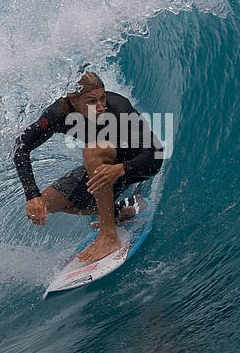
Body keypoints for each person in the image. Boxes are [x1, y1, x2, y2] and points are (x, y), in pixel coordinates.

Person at [14, 71, 162, 263]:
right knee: (46, 204)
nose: (101, 106)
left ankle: (109, 236)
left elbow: (155, 153)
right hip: (102, 169)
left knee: (92, 150)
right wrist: (32, 194)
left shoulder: (119, 108)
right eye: (92, 101)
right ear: (74, 101)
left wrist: (121, 169)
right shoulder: (58, 114)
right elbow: (21, 146)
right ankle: (115, 211)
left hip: (134, 165)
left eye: (102, 98)